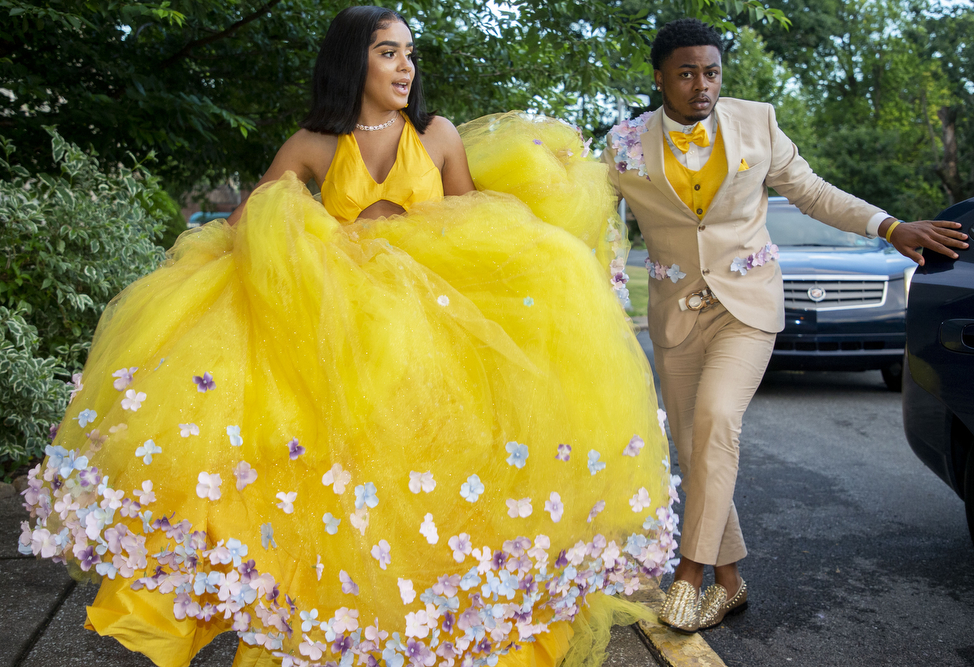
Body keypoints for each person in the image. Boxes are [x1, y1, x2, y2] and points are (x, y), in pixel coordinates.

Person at [20, 6, 679, 667]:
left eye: (409, 54)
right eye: (388, 52)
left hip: (433, 318)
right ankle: (338, 613)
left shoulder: (439, 135)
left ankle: (439, 612)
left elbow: (482, 224)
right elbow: (249, 219)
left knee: (438, 466)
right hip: (340, 327)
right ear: (352, 62)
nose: (405, 66)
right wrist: (297, 234)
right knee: (338, 471)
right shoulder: (315, 142)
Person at [602, 18, 968, 634]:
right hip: (675, 313)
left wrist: (889, 226)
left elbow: (813, 193)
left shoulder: (757, 122)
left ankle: (689, 577)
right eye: (687, 73)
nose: (701, 85)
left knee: (719, 419)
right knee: (695, 451)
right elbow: (596, 220)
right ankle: (731, 581)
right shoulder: (623, 144)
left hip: (748, 305)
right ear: (660, 76)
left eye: (711, 72)